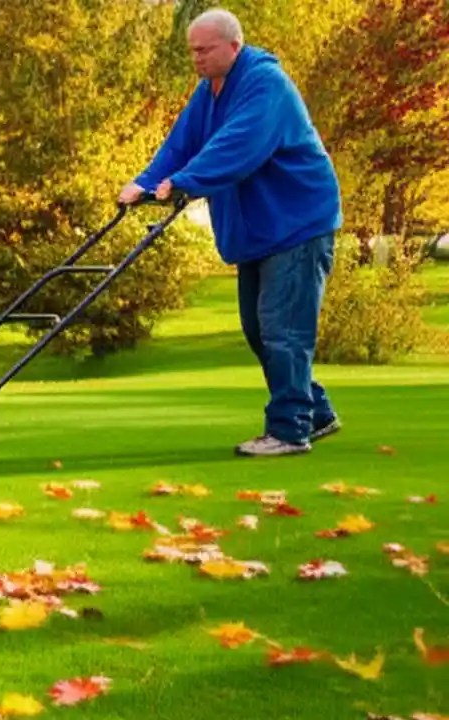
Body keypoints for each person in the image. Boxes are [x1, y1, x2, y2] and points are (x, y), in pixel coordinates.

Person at [119, 8, 343, 457]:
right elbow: (181, 144)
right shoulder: (208, 93)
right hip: (259, 230)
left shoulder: (266, 85)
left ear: (234, 46)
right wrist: (144, 182)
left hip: (297, 223)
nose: (197, 58)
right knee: (258, 329)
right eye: (192, 51)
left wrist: (184, 182)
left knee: (283, 330)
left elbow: (238, 145)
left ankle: (289, 430)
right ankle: (314, 411)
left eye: (205, 49)